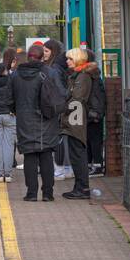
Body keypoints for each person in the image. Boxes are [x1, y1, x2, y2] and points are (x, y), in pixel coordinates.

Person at [10, 43, 61, 201]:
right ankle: (48, 194)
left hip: (25, 121)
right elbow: (59, 96)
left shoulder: (16, 75)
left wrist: (18, 111)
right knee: (46, 157)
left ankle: (31, 194)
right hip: (46, 122)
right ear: (42, 57)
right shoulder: (50, 73)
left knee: (30, 158)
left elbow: (9, 99)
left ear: (28, 57)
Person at [61, 48, 101, 200]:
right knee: (75, 154)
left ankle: (82, 188)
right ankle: (79, 187)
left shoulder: (83, 77)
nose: (67, 61)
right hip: (74, 118)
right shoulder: (77, 75)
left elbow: (77, 98)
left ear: (77, 60)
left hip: (76, 119)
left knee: (78, 154)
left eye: (70, 59)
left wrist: (63, 108)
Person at [43, 38, 73, 181]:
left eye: (46, 51)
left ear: (53, 51)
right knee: (64, 138)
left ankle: (61, 169)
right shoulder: (59, 67)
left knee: (60, 139)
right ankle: (66, 168)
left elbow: (60, 90)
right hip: (62, 106)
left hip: (58, 108)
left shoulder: (54, 68)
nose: (44, 54)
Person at [84, 47, 107, 177]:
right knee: (89, 140)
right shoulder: (91, 74)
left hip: (93, 115)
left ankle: (98, 166)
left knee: (94, 140)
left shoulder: (92, 76)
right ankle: (92, 165)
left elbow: (97, 97)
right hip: (91, 114)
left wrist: (96, 114)